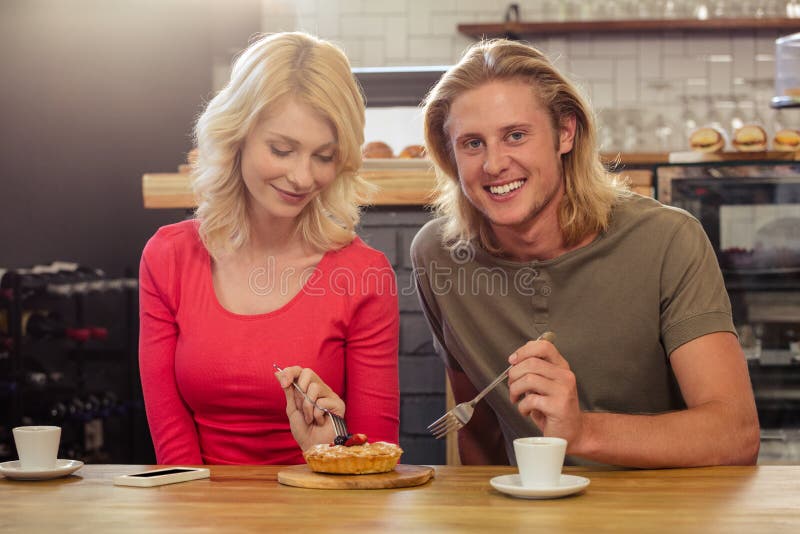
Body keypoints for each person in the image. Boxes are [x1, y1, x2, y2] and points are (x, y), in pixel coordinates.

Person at [411, 39, 760, 468]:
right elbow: (478, 426)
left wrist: (582, 431)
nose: (494, 164)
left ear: (565, 132)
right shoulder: (438, 256)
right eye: (471, 143)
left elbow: (735, 434)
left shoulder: (669, 240)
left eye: (516, 135)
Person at [139, 32, 399, 465]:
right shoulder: (168, 257)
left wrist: (327, 446)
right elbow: (175, 455)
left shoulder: (364, 274)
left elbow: (375, 460)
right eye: (282, 149)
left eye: (324, 156)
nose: (302, 177)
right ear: (236, 136)